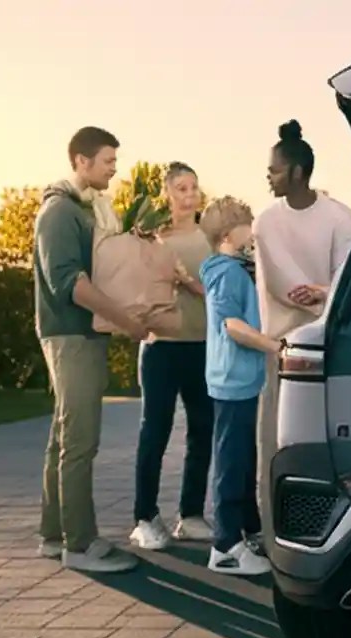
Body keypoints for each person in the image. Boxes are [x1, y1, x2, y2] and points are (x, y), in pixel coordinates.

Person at [34, 126, 144, 573]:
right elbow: (69, 283)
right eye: (107, 162)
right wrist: (126, 319)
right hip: (70, 337)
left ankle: (53, 535)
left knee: (64, 438)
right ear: (81, 161)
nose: (114, 170)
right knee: (80, 443)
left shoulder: (87, 211)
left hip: (84, 336)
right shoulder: (59, 213)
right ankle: (78, 546)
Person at [252, 120, 351, 532]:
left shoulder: (338, 216)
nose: (268, 176)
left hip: (327, 347)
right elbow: (282, 285)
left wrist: (323, 293)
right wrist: (319, 291)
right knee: (273, 445)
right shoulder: (265, 222)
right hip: (279, 350)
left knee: (323, 445)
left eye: (274, 170)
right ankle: (270, 529)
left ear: (296, 172)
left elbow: (347, 280)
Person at [128, 162, 215, 550]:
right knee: (155, 432)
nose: (189, 194)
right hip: (160, 348)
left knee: (203, 430)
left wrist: (186, 281)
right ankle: (144, 518)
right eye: (181, 188)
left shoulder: (209, 239)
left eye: (193, 187)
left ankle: (191, 516)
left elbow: (219, 291)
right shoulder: (151, 237)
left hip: (202, 346)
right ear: (168, 194)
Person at [199, 196, 285, 575]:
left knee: (243, 459)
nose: (252, 229)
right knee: (232, 464)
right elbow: (232, 326)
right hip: (232, 381)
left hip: (243, 381)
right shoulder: (227, 274)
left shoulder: (236, 268)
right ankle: (225, 547)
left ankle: (246, 532)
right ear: (229, 232)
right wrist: (274, 347)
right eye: (246, 223)